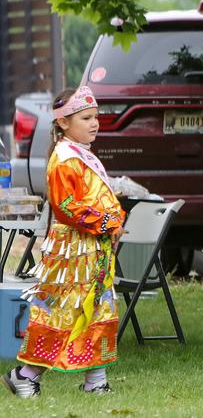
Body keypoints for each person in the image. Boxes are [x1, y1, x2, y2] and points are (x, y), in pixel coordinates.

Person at [4, 85, 125, 397]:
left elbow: (97, 197)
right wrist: (107, 221)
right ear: (63, 122)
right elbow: (67, 206)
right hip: (73, 252)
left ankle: (96, 382)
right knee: (66, 312)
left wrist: (114, 218)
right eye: (86, 118)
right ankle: (25, 374)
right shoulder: (64, 159)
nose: (94, 123)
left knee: (96, 309)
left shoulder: (82, 154)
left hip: (93, 249)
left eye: (96, 117)